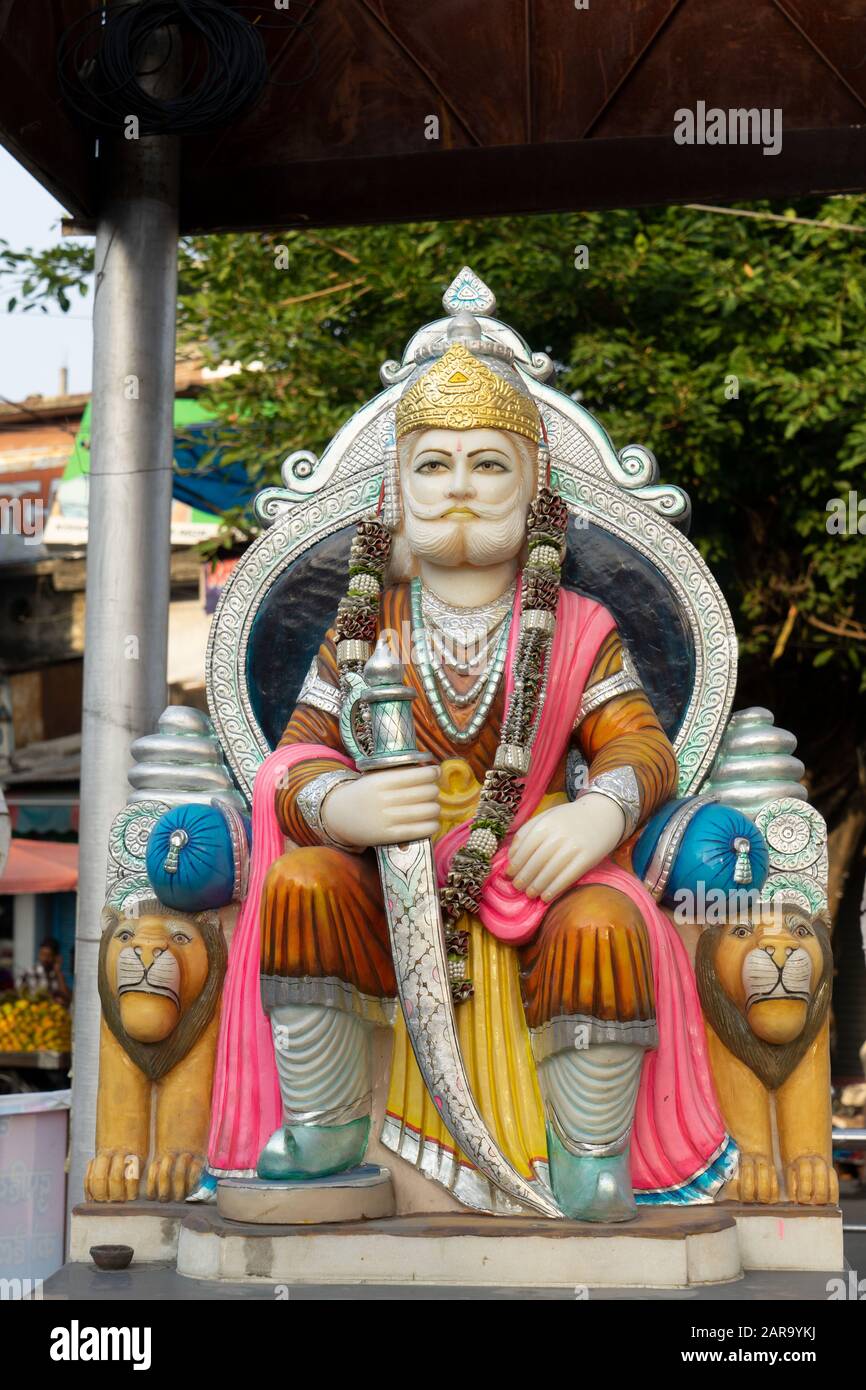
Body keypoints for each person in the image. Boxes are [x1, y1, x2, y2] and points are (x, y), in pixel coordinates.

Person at [202, 324, 735, 1222]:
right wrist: (341, 804)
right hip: (387, 886)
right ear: (394, 492)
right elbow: (295, 755)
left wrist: (597, 816)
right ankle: (327, 1124)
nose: (457, 488)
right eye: (432, 466)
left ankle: (589, 1150)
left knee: (605, 921)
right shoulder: (365, 624)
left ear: (537, 494)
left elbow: (643, 748)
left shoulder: (578, 625)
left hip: (532, 877)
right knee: (300, 882)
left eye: (488, 465)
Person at [19, 937, 71, 1005]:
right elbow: (19, 996)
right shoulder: (29, 972)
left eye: (49, 955)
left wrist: (58, 972)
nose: (45, 959)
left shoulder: (57, 975)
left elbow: (66, 998)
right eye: (42, 954)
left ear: (56, 957)